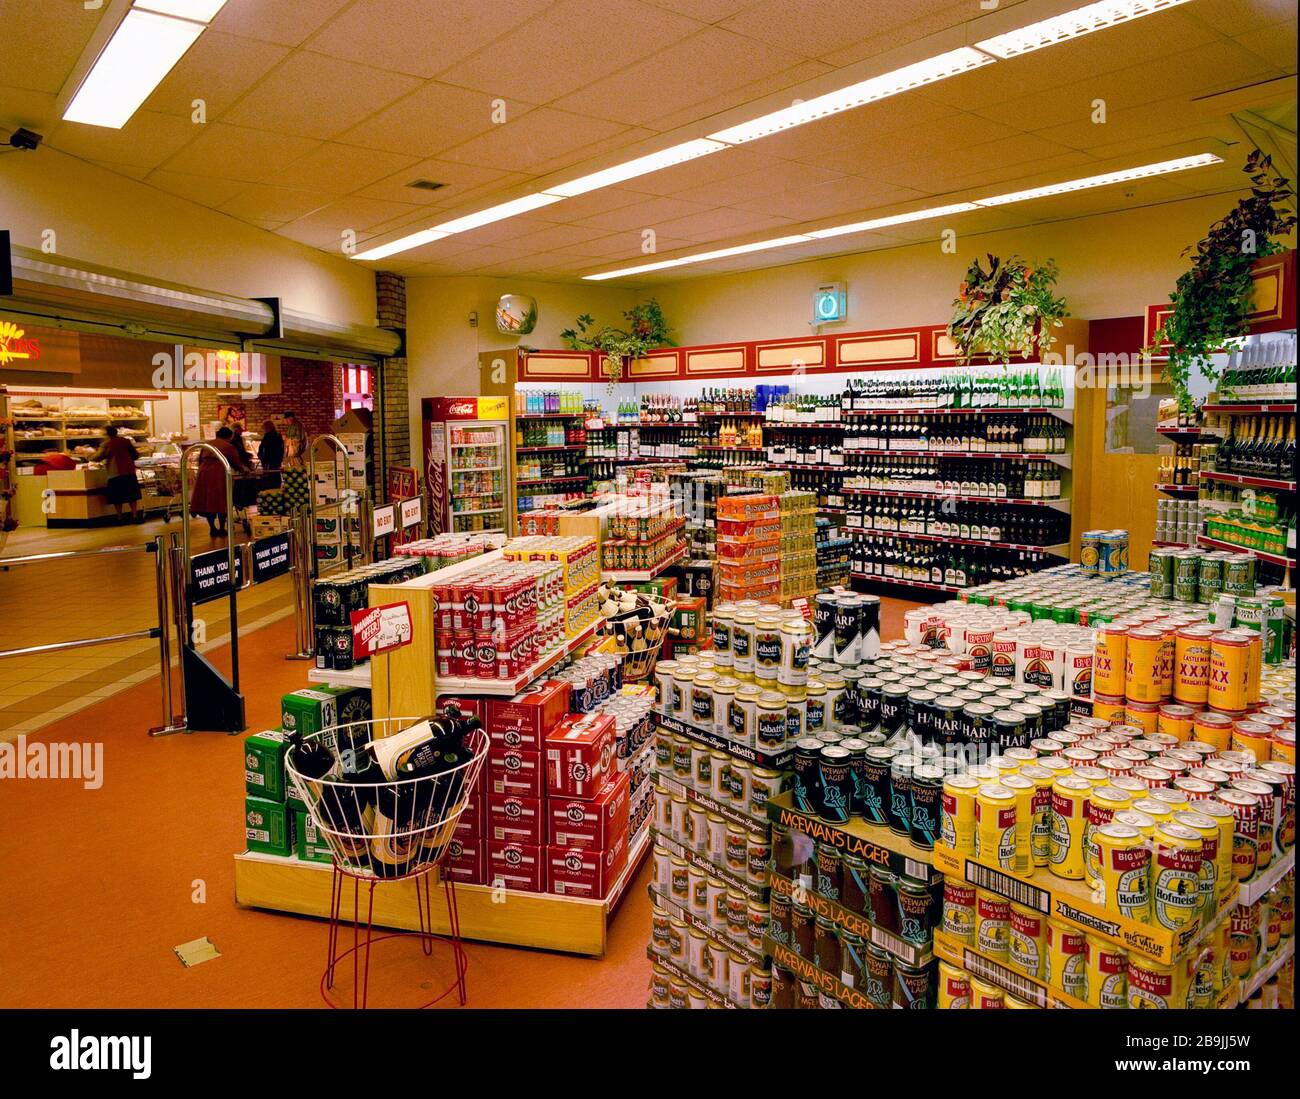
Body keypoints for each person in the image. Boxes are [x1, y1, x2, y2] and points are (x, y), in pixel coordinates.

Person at [191, 427, 250, 537]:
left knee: (208, 501)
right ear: (230, 436)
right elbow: (236, 462)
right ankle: (222, 528)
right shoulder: (228, 446)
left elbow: (199, 460)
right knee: (222, 500)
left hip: (203, 472)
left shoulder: (207, 444)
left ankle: (212, 528)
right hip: (219, 472)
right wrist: (244, 471)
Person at [92, 426, 143, 523]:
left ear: (107, 434)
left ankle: (119, 517)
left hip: (115, 472)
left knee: (117, 497)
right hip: (129, 471)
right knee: (131, 495)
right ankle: (135, 515)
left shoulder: (107, 444)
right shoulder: (126, 441)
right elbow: (135, 455)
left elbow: (99, 456)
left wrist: (89, 457)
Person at [257, 419, 284, 487]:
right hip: (271, 461)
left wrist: (261, 456)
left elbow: (278, 450)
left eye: (264, 428)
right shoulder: (271, 435)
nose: (264, 429)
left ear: (268, 427)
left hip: (271, 461)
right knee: (272, 477)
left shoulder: (273, 436)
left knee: (272, 477)